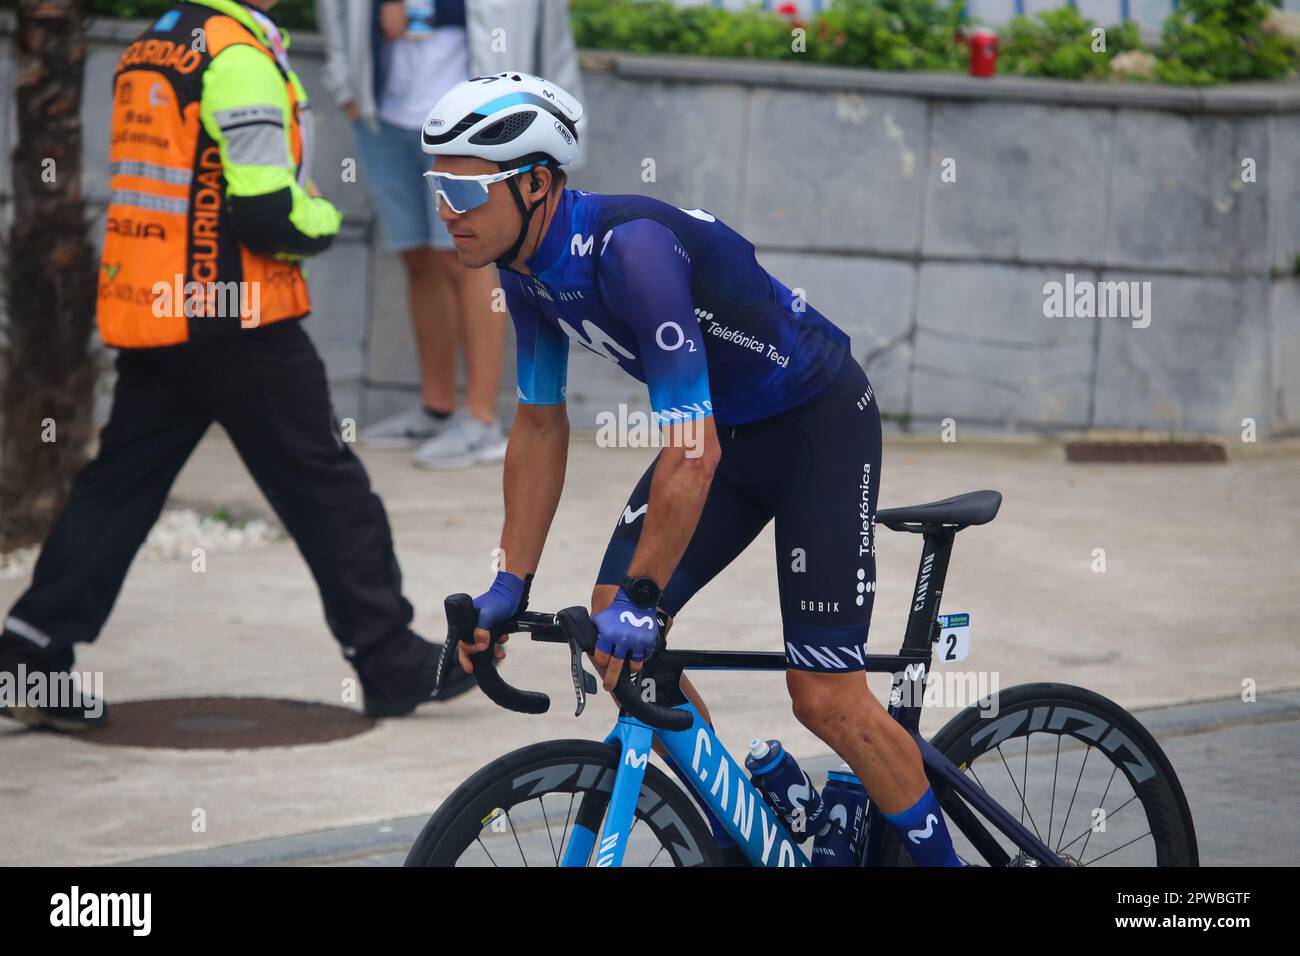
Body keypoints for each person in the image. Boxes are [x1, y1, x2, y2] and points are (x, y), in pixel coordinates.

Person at [427, 73, 965, 866]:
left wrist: (647, 599)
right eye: (435, 185)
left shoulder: (630, 251)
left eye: (463, 191)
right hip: (731, 435)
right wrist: (511, 585)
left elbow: (692, 450)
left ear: (535, 182)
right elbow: (540, 425)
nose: (446, 211)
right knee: (616, 639)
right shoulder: (525, 270)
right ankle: (747, 825)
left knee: (824, 698)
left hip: (816, 426)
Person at [0, 0, 474, 733]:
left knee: (121, 486)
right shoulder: (236, 57)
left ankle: (30, 650)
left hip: (158, 309)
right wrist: (321, 218)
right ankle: (388, 659)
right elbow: (266, 216)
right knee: (327, 487)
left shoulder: (154, 45)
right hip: (235, 315)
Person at [315, 0, 584, 468]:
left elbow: (549, 29)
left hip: (477, 125)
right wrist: (346, 86)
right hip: (384, 114)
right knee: (417, 258)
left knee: (469, 262)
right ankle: (436, 408)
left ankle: (481, 422)